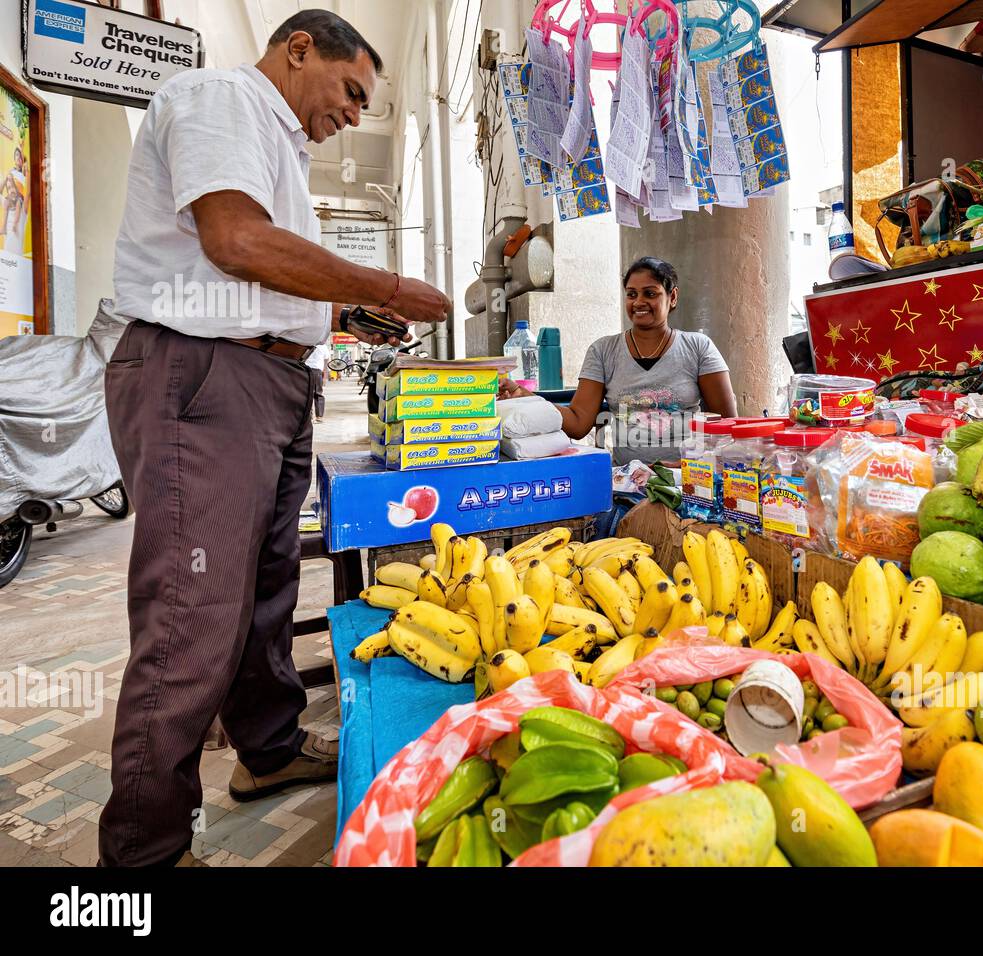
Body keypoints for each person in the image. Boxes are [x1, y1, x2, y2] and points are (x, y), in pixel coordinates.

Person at [99, 10, 451, 867]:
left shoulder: (279, 146)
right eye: (351, 92)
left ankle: (267, 750)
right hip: (204, 376)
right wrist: (391, 285)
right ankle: (141, 855)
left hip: (269, 378)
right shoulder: (221, 96)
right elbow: (236, 243)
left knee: (262, 589)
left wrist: (343, 314)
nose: (354, 116)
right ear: (300, 50)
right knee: (192, 614)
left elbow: (268, 268)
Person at [500, 257, 737, 464]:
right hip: (628, 479)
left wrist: (688, 467)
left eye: (650, 293)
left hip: (690, 479)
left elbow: (727, 427)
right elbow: (579, 423)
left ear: (672, 297)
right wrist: (529, 399)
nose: (639, 302)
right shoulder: (603, 351)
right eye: (632, 294)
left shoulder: (698, 347)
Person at [306, 343, 327, 421]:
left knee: (307, 394)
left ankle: (309, 416)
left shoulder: (306, 342)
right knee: (318, 393)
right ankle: (319, 416)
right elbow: (326, 361)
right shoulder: (323, 346)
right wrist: (325, 376)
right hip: (317, 371)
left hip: (305, 370)